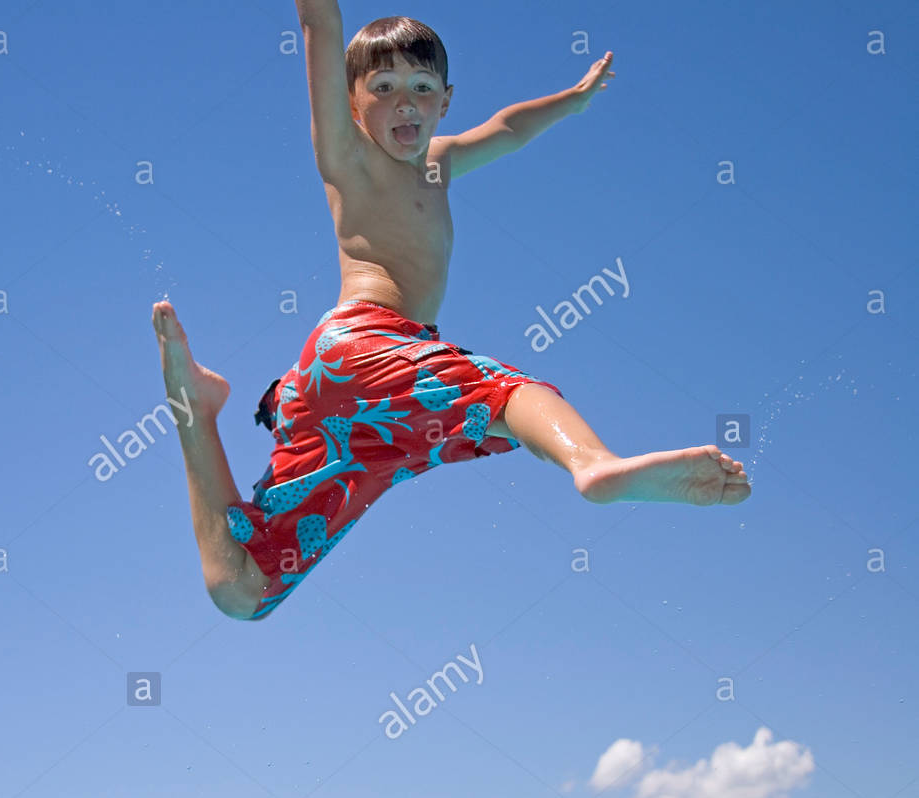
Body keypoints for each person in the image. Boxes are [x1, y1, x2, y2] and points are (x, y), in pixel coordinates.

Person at [152, 6, 750, 621]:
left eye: (421, 89)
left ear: (445, 101)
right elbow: (319, 28)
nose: (403, 103)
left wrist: (571, 101)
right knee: (505, 395)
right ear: (351, 107)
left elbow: (509, 129)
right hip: (365, 344)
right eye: (382, 90)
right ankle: (593, 463)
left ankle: (195, 412)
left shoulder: (438, 165)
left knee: (243, 590)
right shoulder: (348, 159)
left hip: (350, 412)